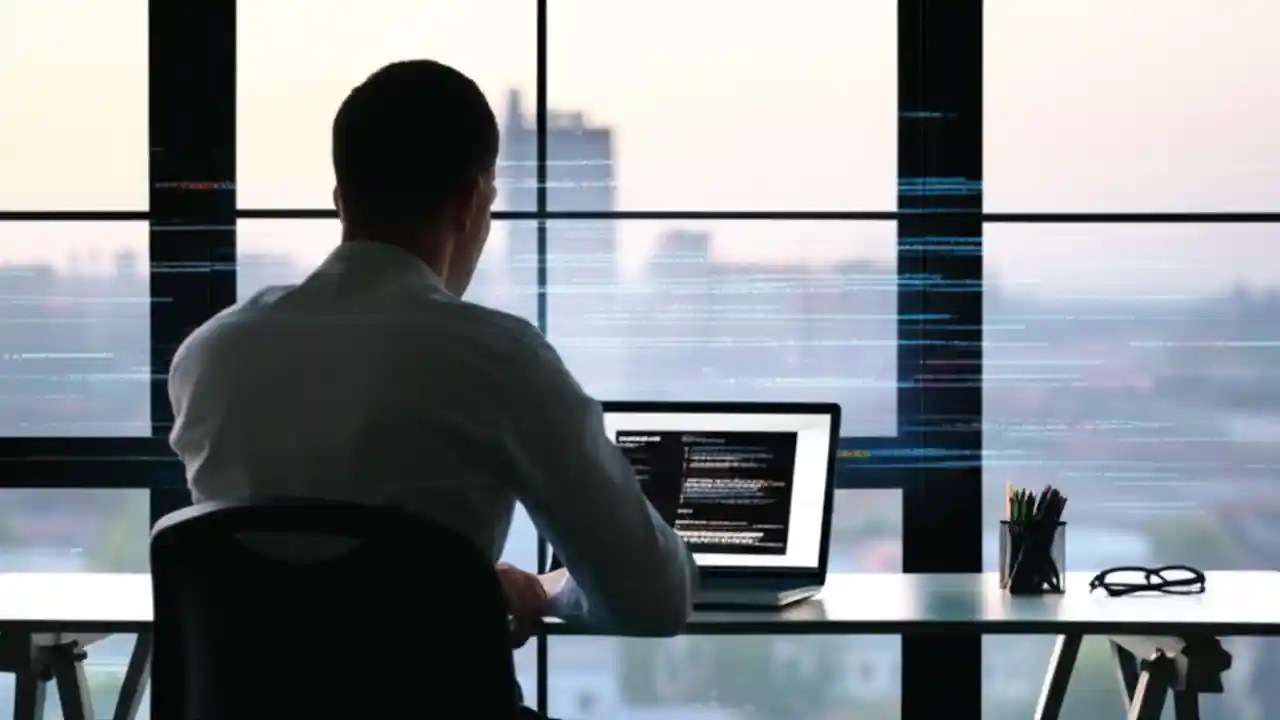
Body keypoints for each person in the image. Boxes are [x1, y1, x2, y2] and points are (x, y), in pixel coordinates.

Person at [167, 59, 697, 717]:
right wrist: (540, 587)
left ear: (341, 200)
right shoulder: (499, 361)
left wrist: (462, 590)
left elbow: (298, 586)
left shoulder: (209, 356)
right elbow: (653, 598)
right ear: (473, 202)